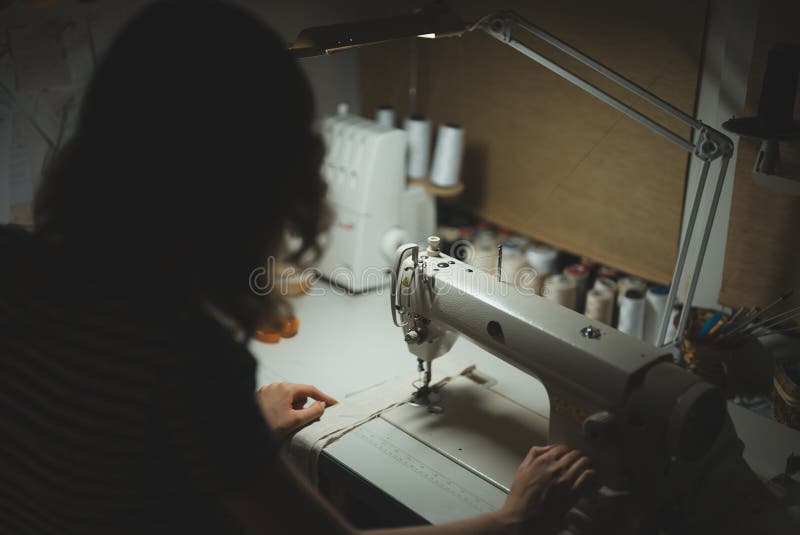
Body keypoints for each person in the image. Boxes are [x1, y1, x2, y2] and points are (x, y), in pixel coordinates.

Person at [0, 1, 593, 533]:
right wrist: (513, 521)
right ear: (254, 188)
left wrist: (233, 437)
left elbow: (108, 458)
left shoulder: (15, 263)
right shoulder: (184, 362)